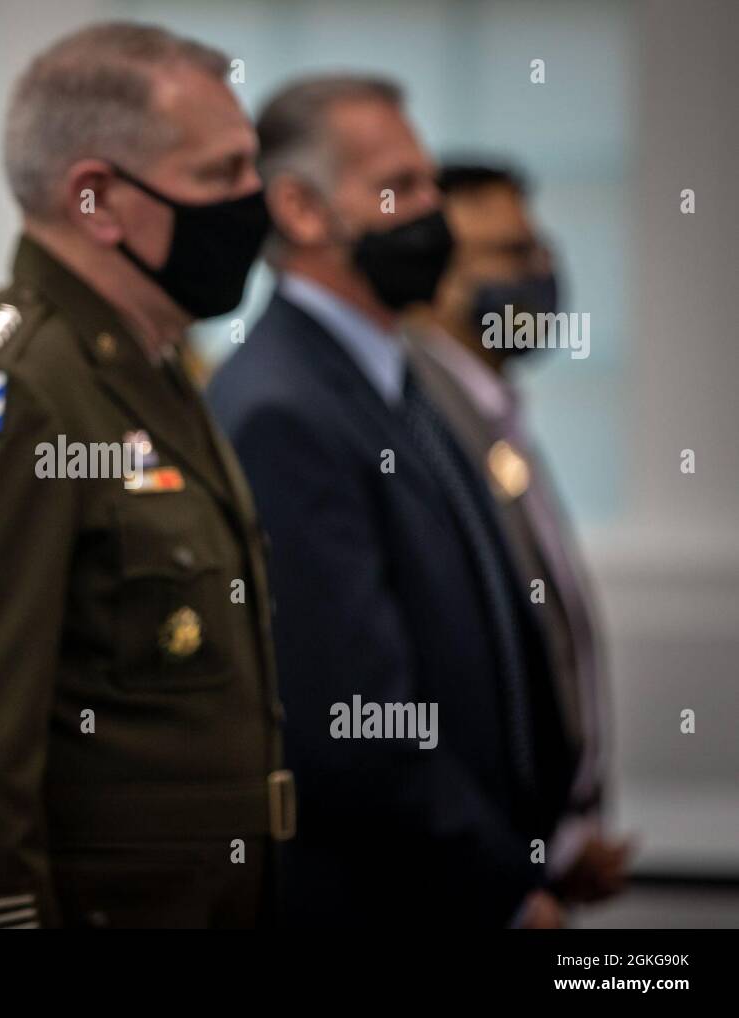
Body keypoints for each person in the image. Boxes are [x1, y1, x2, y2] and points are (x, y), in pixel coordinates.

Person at [0, 22, 293, 929]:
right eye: (221, 176)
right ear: (96, 199)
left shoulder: (151, 365)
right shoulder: (15, 399)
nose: (260, 203)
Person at [207, 77, 574, 928]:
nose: (430, 212)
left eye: (428, 186)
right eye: (398, 189)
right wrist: (504, 890)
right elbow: (354, 723)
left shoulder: (399, 371)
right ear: (299, 209)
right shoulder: (281, 407)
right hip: (392, 901)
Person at [409, 163, 631, 905]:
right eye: (510, 254)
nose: (540, 274)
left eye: (542, 251)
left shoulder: (495, 411)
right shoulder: (422, 420)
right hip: (471, 875)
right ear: (439, 279)